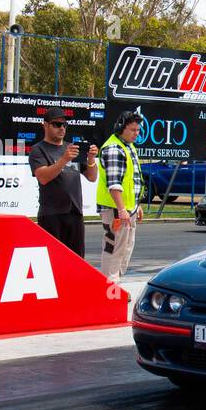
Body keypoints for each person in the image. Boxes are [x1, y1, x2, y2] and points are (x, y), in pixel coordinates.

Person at [29, 110, 97, 257]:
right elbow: (43, 177)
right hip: (52, 214)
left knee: (77, 261)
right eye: (57, 124)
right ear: (45, 125)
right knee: (54, 260)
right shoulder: (38, 150)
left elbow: (92, 177)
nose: (62, 128)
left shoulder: (71, 148)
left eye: (64, 124)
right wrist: (63, 160)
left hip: (75, 213)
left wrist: (91, 159)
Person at [95, 110, 143, 284]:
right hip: (116, 208)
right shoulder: (115, 148)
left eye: (138, 130)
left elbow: (132, 180)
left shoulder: (127, 146)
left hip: (126, 208)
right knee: (114, 247)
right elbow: (114, 184)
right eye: (132, 129)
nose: (136, 133)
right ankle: (110, 287)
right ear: (121, 128)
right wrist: (122, 209)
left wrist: (136, 206)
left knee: (125, 248)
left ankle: (115, 286)